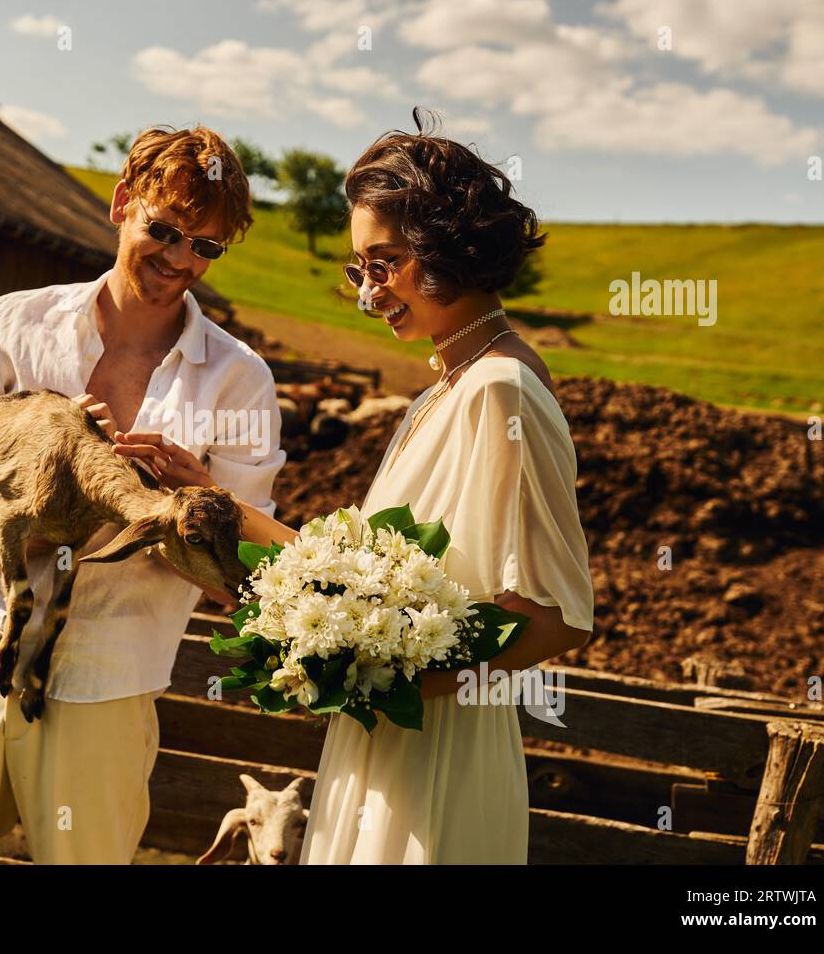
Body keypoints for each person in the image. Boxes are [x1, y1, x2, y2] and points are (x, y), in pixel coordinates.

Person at [115, 111, 594, 864]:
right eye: (359, 268)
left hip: (437, 763)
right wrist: (213, 499)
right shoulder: (443, 391)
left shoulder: (503, 392)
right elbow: (354, 577)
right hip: (382, 746)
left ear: (448, 249)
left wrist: (377, 679)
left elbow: (555, 617)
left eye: (384, 263)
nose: (367, 293)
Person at [0, 126, 285, 864]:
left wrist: (195, 497)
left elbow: (244, 579)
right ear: (123, 204)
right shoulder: (16, 323)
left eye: (207, 247)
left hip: (112, 672)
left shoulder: (238, 379)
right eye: (166, 231)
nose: (181, 260)